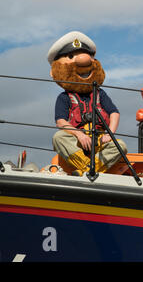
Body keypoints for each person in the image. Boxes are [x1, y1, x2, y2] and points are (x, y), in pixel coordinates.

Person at [48, 31, 127, 176]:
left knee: (120, 145)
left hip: (99, 140)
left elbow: (114, 113)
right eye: (71, 56)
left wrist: (110, 133)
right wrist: (79, 135)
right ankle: (88, 168)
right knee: (58, 138)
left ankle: (90, 168)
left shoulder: (99, 93)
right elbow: (60, 122)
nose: (83, 60)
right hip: (77, 141)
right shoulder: (64, 97)